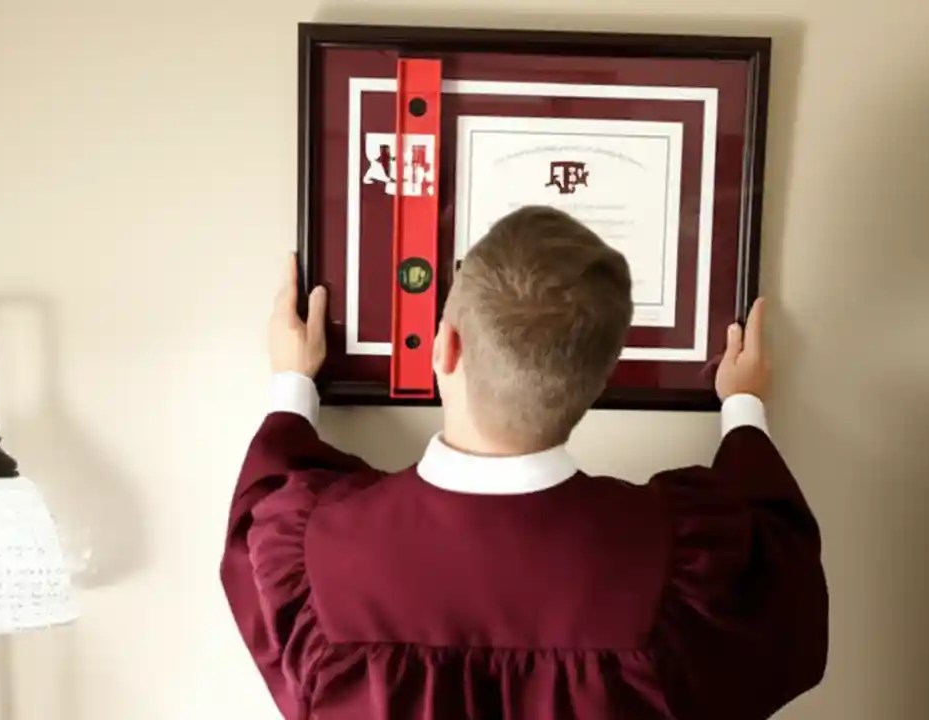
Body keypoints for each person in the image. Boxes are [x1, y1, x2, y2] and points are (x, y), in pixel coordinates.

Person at [219, 206, 828, 720]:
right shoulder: (679, 558)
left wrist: (293, 385)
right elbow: (783, 587)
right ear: (600, 380)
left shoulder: (313, 549)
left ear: (446, 346)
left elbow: (256, 521)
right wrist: (743, 405)